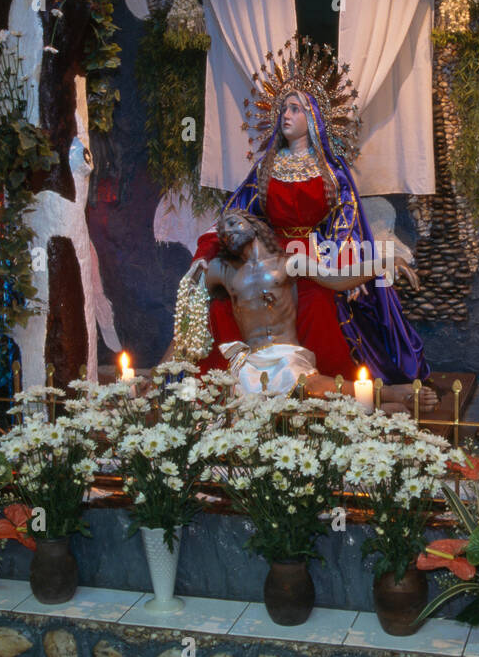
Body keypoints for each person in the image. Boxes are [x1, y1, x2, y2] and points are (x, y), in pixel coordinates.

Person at [181, 36, 431, 387]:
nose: (286, 115)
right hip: (270, 256)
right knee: (224, 304)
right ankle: (224, 385)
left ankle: (325, 384)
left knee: (316, 302)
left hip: (314, 256)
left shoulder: (332, 172)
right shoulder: (266, 168)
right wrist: (205, 254)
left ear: (312, 117)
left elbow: (347, 226)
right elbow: (232, 214)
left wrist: (345, 266)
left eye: (295, 109)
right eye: (283, 109)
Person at [205, 209, 435, 412]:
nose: (228, 232)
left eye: (235, 223)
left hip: (285, 355)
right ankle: (380, 410)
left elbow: (335, 279)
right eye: (223, 231)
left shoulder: (287, 263)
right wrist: (199, 261)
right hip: (250, 361)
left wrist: (385, 262)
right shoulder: (224, 272)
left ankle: (387, 393)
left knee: (305, 386)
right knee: (263, 409)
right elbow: (192, 287)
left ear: (253, 226)